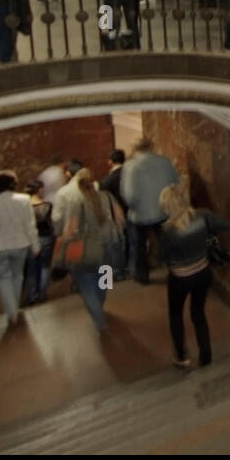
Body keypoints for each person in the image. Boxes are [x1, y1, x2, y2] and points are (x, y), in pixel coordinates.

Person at [159, 183, 230, 369]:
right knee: (198, 313)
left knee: (176, 315)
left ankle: (182, 357)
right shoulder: (202, 216)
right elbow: (227, 225)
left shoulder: (168, 230)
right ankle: (206, 356)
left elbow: (164, 258)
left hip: (179, 279)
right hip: (202, 273)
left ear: (167, 206)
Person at [57, 168, 120, 333]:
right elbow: (120, 218)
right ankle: (99, 305)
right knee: (105, 279)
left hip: (86, 249)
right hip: (108, 245)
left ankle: (99, 319)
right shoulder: (107, 196)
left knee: (86, 285)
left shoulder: (76, 201)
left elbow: (71, 229)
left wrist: (62, 242)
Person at [0, 170, 40, 327]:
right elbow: (30, 225)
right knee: (18, 276)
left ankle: (11, 312)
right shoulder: (24, 200)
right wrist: (36, 245)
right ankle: (15, 309)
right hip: (21, 244)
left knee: (3, 279)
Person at [120, 137, 180, 284]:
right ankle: (175, 270)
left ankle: (142, 276)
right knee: (167, 242)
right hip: (163, 211)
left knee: (139, 246)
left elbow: (129, 195)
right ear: (151, 147)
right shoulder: (165, 161)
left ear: (135, 149)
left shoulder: (130, 166)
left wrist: (133, 206)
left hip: (140, 214)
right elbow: (175, 183)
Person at [23, 180, 55, 305]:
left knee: (31, 269)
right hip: (46, 236)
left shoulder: (24, 206)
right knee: (45, 266)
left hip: (30, 239)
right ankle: (42, 293)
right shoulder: (47, 205)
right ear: (39, 190)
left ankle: (32, 295)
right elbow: (50, 223)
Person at [99, 149, 129, 279]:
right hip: (133, 211)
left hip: (115, 218)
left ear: (110, 161)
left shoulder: (106, 181)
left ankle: (110, 278)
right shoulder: (131, 174)